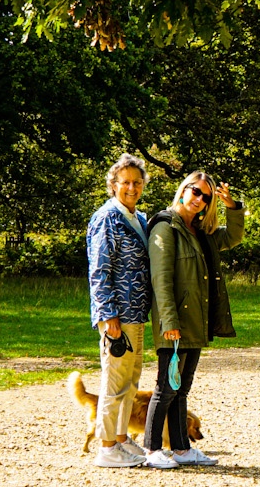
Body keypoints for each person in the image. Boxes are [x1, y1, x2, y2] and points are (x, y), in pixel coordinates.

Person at [144, 170, 245, 469]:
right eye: (195, 191)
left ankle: (182, 448)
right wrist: (168, 321)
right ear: (183, 190)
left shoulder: (201, 231)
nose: (199, 199)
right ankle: (151, 450)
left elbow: (234, 237)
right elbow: (160, 279)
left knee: (181, 389)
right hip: (175, 323)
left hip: (196, 322)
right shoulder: (166, 227)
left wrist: (233, 207)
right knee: (165, 388)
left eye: (206, 196)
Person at [85, 155, 153, 467]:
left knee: (131, 381)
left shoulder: (139, 218)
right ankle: (107, 447)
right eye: (124, 182)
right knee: (114, 383)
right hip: (117, 316)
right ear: (113, 185)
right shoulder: (106, 219)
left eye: (136, 182)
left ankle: (123, 438)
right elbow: (99, 270)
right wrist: (107, 314)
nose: (131, 187)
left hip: (137, 313)